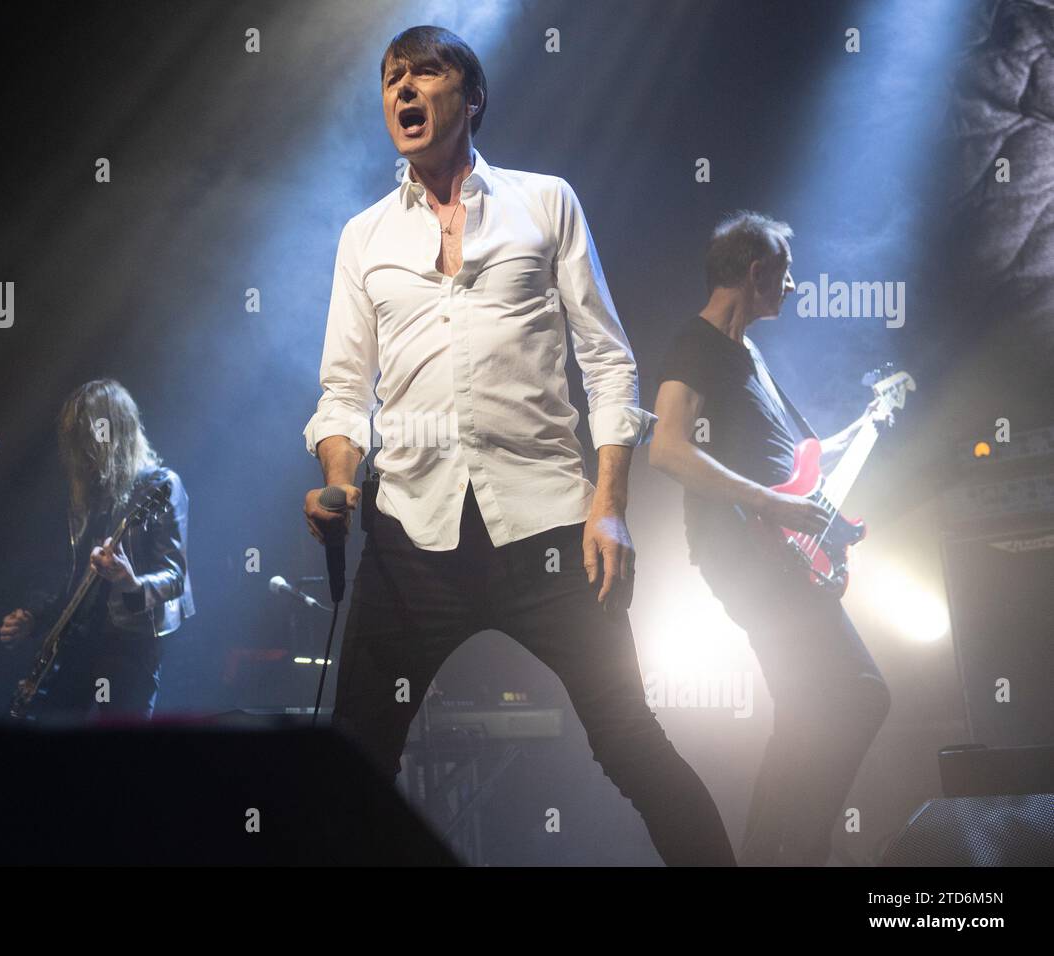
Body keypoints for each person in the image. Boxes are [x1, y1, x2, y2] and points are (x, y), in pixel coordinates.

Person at [302, 25, 735, 865]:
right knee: (351, 759)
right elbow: (345, 391)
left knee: (629, 743)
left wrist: (608, 511)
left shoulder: (546, 202)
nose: (403, 90)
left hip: (547, 528)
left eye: (425, 73)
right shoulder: (364, 237)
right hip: (412, 542)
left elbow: (609, 361)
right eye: (391, 78)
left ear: (472, 97)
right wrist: (339, 483)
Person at [649, 211, 893, 865]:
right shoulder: (694, 346)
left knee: (806, 712)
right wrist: (768, 504)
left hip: (772, 554)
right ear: (757, 272)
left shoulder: (746, 353)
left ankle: (772, 853)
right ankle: (805, 846)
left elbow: (793, 456)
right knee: (860, 695)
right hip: (744, 556)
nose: (793, 286)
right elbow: (667, 449)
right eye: (786, 274)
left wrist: (865, 427)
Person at [0, 379, 193, 719]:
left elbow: (175, 576)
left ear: (114, 433)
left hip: (129, 645)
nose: (82, 452)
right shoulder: (88, 496)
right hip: (78, 641)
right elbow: (72, 580)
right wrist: (34, 616)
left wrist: (130, 581)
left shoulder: (160, 485)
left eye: (87, 439)